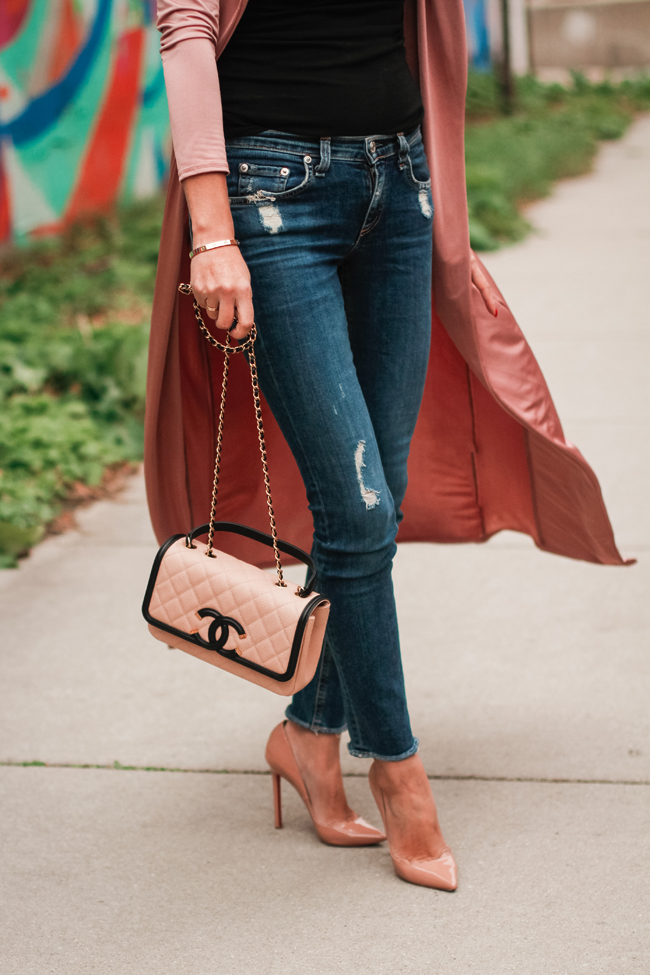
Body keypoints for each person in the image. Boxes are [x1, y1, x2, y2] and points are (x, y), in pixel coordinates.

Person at [147, 0, 626, 891]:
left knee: (373, 500)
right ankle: (398, 769)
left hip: (400, 183)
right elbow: (186, 31)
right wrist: (212, 234)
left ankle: (307, 734)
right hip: (271, 195)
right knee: (360, 505)